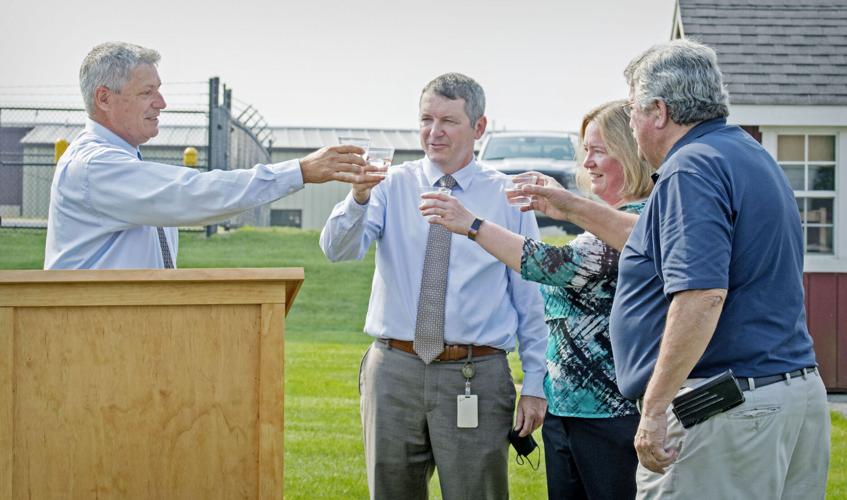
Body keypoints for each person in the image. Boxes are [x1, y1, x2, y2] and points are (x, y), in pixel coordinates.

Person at [523, 39, 830, 498]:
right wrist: (573, 207)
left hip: (725, 406)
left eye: (632, 110)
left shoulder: (690, 169)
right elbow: (651, 242)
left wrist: (654, 408)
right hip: (790, 393)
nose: (631, 122)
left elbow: (701, 295)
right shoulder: (748, 155)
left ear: (659, 111)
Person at [319, 73, 548, 500]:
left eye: (448, 120)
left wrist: (535, 382)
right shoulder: (388, 184)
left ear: (479, 128)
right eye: (426, 119)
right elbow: (337, 250)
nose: (434, 131)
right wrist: (357, 198)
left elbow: (530, 297)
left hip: (474, 374)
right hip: (395, 370)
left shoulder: (507, 196)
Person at [425, 100, 653, 500]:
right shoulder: (604, 219)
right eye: (585, 151)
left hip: (612, 414)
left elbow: (555, 264)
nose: (588, 162)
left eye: (599, 150)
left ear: (630, 152)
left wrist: (472, 225)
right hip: (567, 413)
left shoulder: (642, 220)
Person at [45, 41, 368, 270]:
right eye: (147, 92)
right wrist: (299, 171)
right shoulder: (94, 167)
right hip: (90, 346)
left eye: (159, 89)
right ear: (104, 98)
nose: (162, 102)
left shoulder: (121, 162)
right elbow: (196, 193)